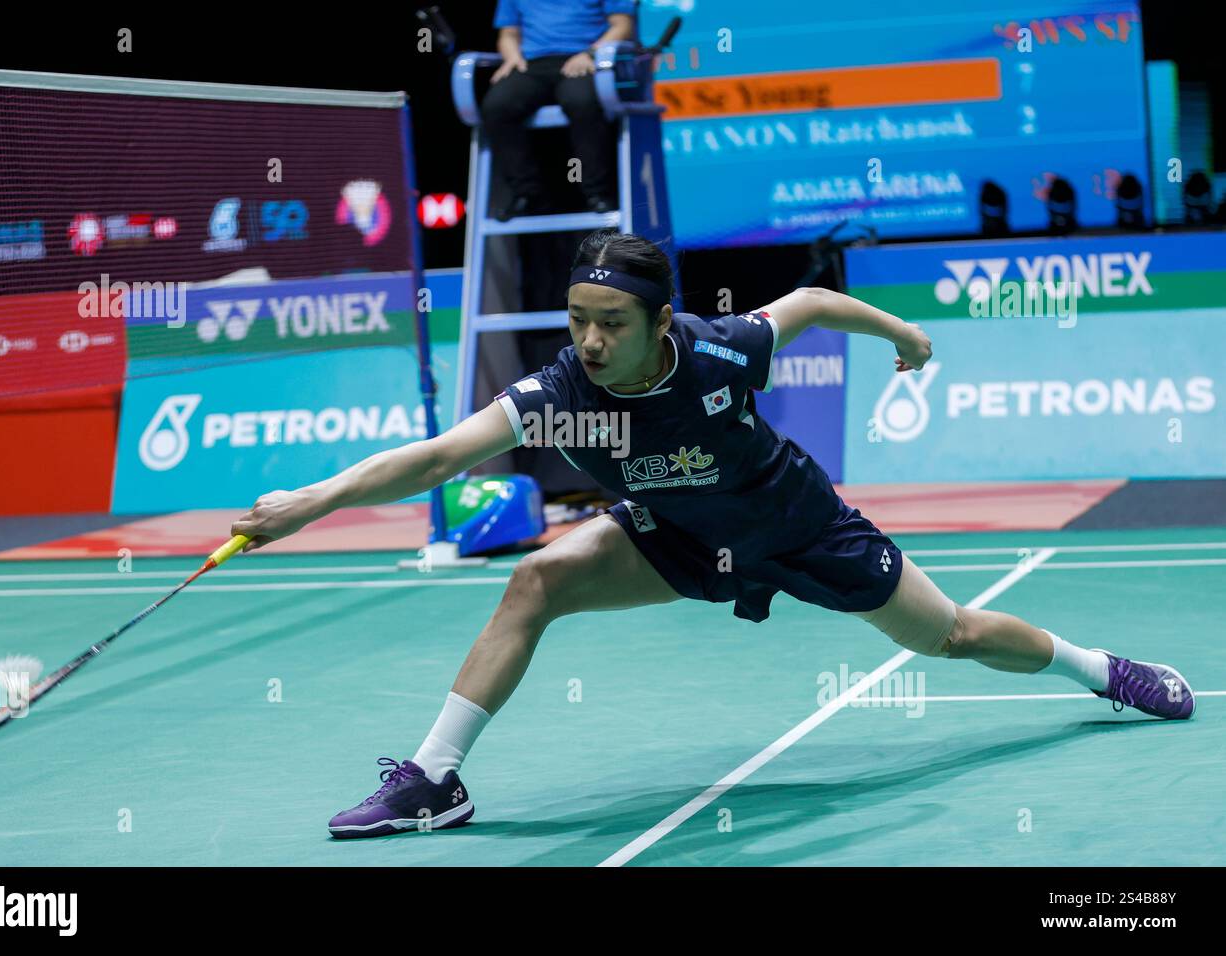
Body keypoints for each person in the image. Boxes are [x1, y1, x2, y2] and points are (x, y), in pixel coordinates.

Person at [231, 229, 1197, 839]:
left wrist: (902, 334)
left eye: (612, 324)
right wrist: (304, 506)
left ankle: (1102, 671)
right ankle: (435, 779)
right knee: (536, 583)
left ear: (662, 323)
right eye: (578, 322)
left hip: (799, 524)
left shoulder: (720, 352)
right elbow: (441, 457)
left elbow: (812, 303)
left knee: (951, 634)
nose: (591, 343)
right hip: (680, 538)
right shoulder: (562, 396)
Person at [483, 0, 636, 220]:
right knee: (497, 106)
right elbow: (508, 34)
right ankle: (527, 193)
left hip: (584, 57)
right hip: (532, 63)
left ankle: (597, 192)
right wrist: (512, 57)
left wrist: (591, 53)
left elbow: (622, 25)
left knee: (581, 101)